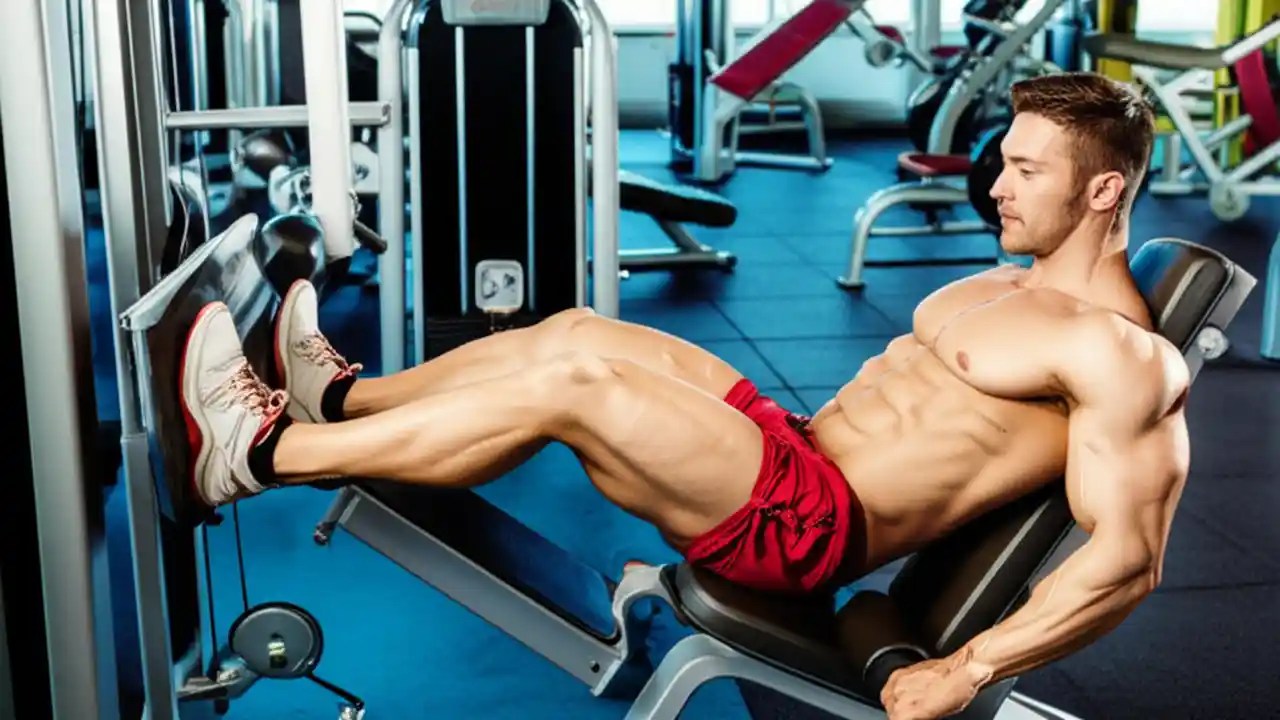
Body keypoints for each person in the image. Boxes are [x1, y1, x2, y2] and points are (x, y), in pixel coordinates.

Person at [178, 72, 1189, 720]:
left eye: (1022, 170)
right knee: (578, 331)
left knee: (574, 387)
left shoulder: (1120, 359)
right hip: (793, 452)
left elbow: (1127, 560)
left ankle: (258, 457)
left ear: (1103, 191)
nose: (995, 187)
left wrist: (964, 669)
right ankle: (344, 402)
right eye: (1002, 162)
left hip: (807, 527)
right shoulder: (1009, 280)